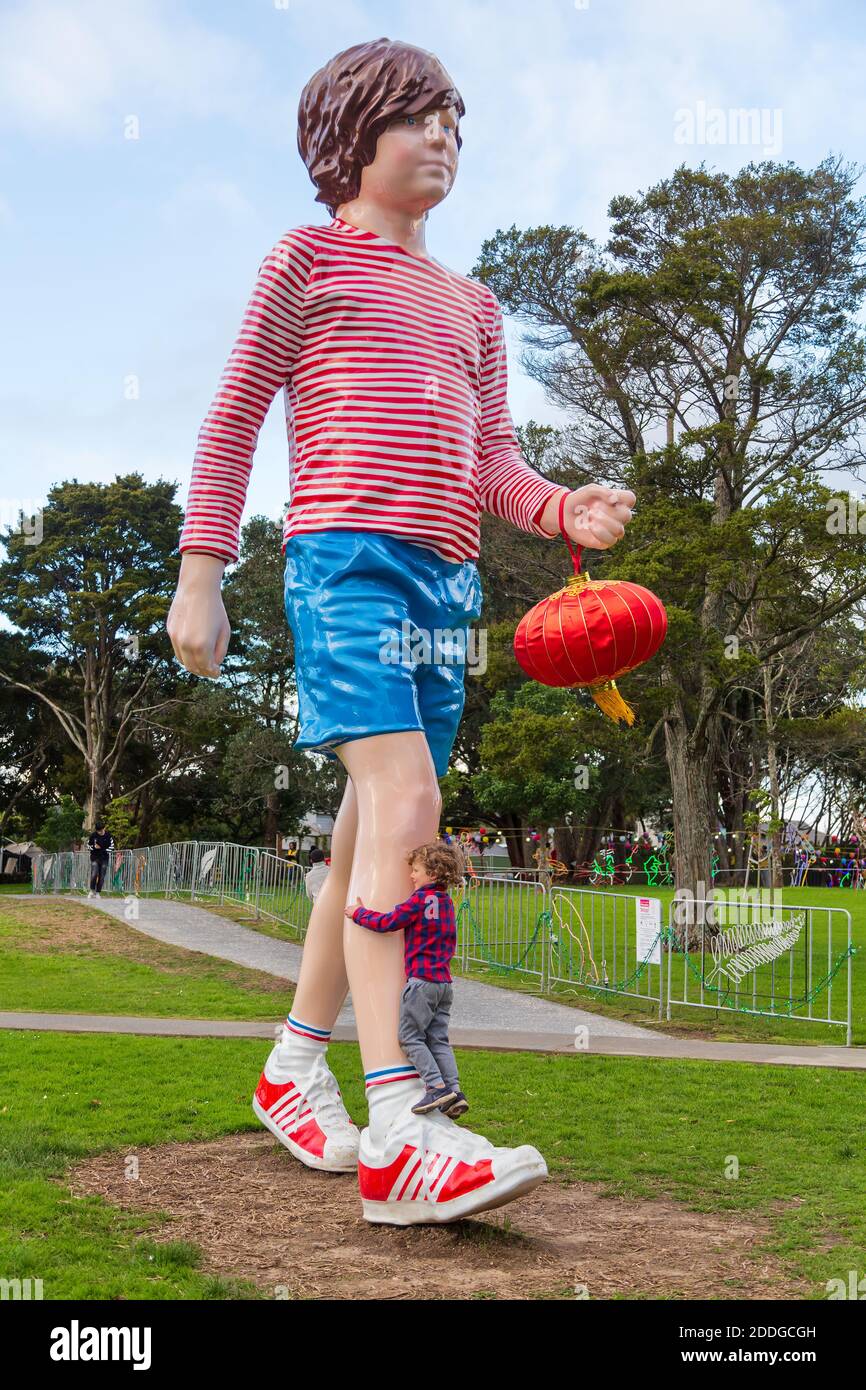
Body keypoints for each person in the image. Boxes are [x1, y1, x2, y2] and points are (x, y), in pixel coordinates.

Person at [167, 38, 634, 1226]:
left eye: (456, 126)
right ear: (351, 134)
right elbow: (230, 422)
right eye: (420, 118)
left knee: (372, 831)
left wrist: (557, 507)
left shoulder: (475, 306)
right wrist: (201, 571)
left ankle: (290, 1067)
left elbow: (490, 462)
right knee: (412, 811)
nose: (444, 140)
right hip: (345, 566)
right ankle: (401, 1128)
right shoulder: (304, 259)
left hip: (448, 587)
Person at [345, 839, 468, 1118]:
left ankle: (435, 1087)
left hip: (421, 982)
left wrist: (358, 913)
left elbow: (388, 922)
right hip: (444, 984)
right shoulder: (446, 903)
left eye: (416, 870)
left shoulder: (418, 901)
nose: (411, 875)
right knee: (437, 1038)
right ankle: (454, 1090)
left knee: (410, 1036)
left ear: (433, 874)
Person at [87, 823, 114, 897]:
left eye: (101, 830)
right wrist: (94, 847)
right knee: (94, 873)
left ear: (104, 828)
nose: (100, 832)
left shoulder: (108, 836)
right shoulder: (93, 836)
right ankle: (92, 890)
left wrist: (103, 850)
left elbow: (112, 847)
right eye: (98, 831)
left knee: (102, 876)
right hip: (95, 857)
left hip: (104, 858)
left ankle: (98, 892)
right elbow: (88, 846)